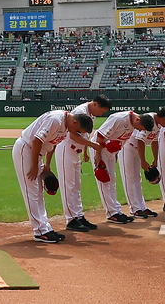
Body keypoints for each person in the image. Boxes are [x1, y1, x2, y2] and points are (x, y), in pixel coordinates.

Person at [11, 109, 96, 243]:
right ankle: (40, 231)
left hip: (36, 154)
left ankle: (45, 228)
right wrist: (34, 165)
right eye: (79, 130)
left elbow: (53, 144)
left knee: (39, 193)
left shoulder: (66, 125)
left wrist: (47, 165)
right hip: (26, 151)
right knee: (31, 192)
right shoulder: (55, 120)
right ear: (74, 122)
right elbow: (37, 140)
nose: (78, 133)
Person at [53, 96, 112, 231]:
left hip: (76, 151)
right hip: (66, 150)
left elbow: (85, 134)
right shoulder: (81, 111)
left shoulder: (91, 113)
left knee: (76, 186)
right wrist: (92, 145)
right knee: (69, 186)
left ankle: (78, 216)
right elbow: (73, 135)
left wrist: (85, 151)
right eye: (101, 111)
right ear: (95, 104)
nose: (101, 114)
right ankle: (71, 219)